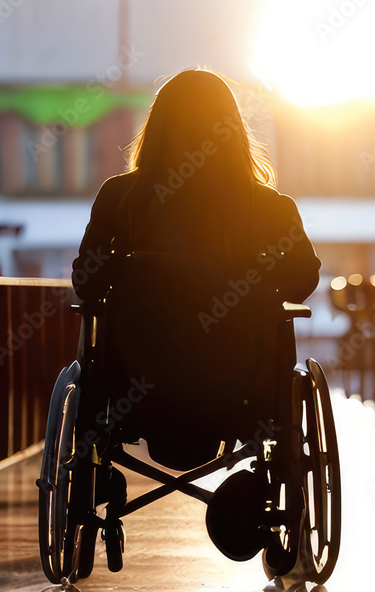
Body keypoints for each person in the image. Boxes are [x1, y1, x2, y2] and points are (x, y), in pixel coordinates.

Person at [71, 69, 321, 469]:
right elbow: (303, 278)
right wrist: (255, 277)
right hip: (241, 388)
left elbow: (86, 282)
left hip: (136, 391)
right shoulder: (271, 207)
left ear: (156, 129)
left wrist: (127, 273)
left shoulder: (120, 199)